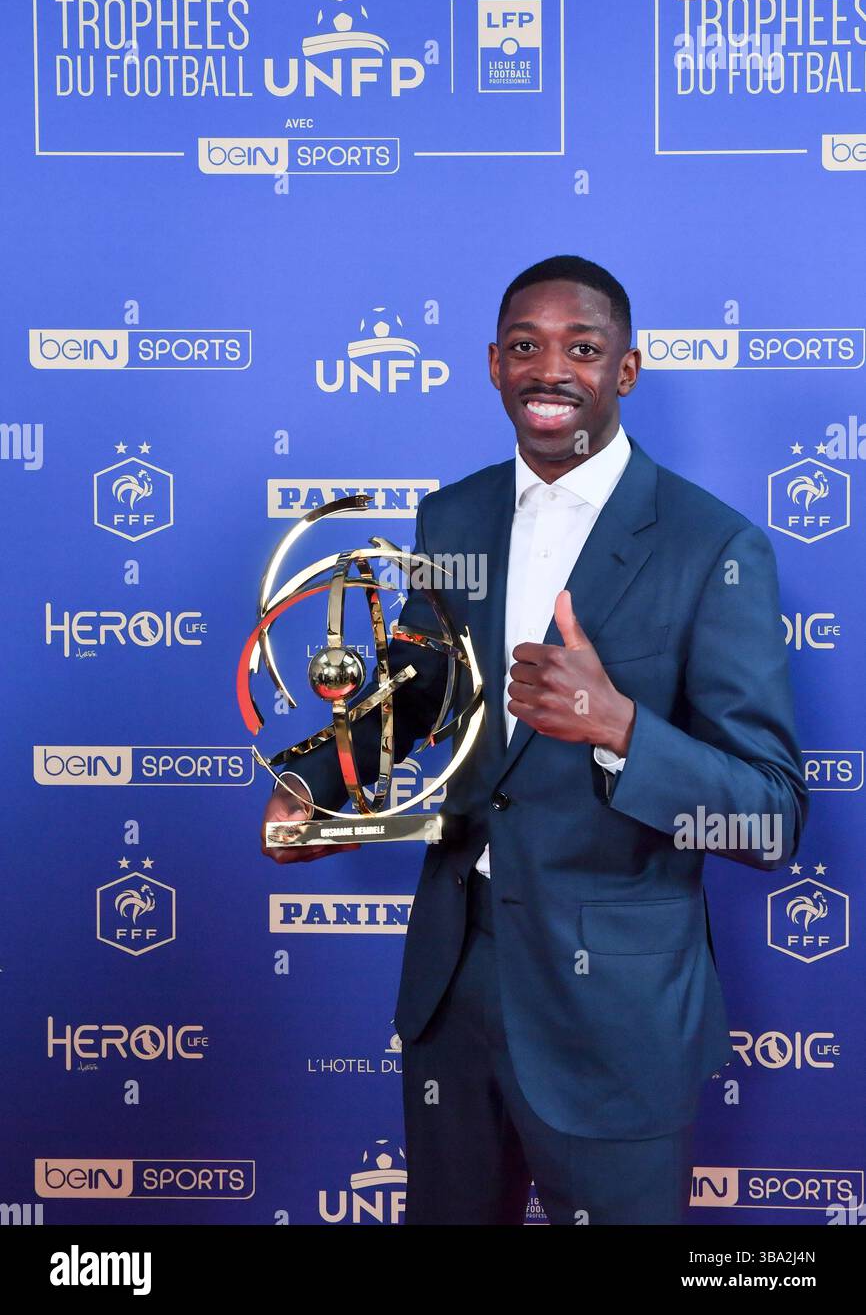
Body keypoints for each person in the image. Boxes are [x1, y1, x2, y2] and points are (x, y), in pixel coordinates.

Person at [261, 255, 808, 1225]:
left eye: (580, 348)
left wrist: (620, 728)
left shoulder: (711, 547)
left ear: (624, 371)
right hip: (453, 988)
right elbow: (420, 691)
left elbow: (768, 816)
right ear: (490, 364)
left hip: (615, 1016)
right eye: (524, 346)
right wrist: (322, 782)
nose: (547, 370)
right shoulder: (454, 514)